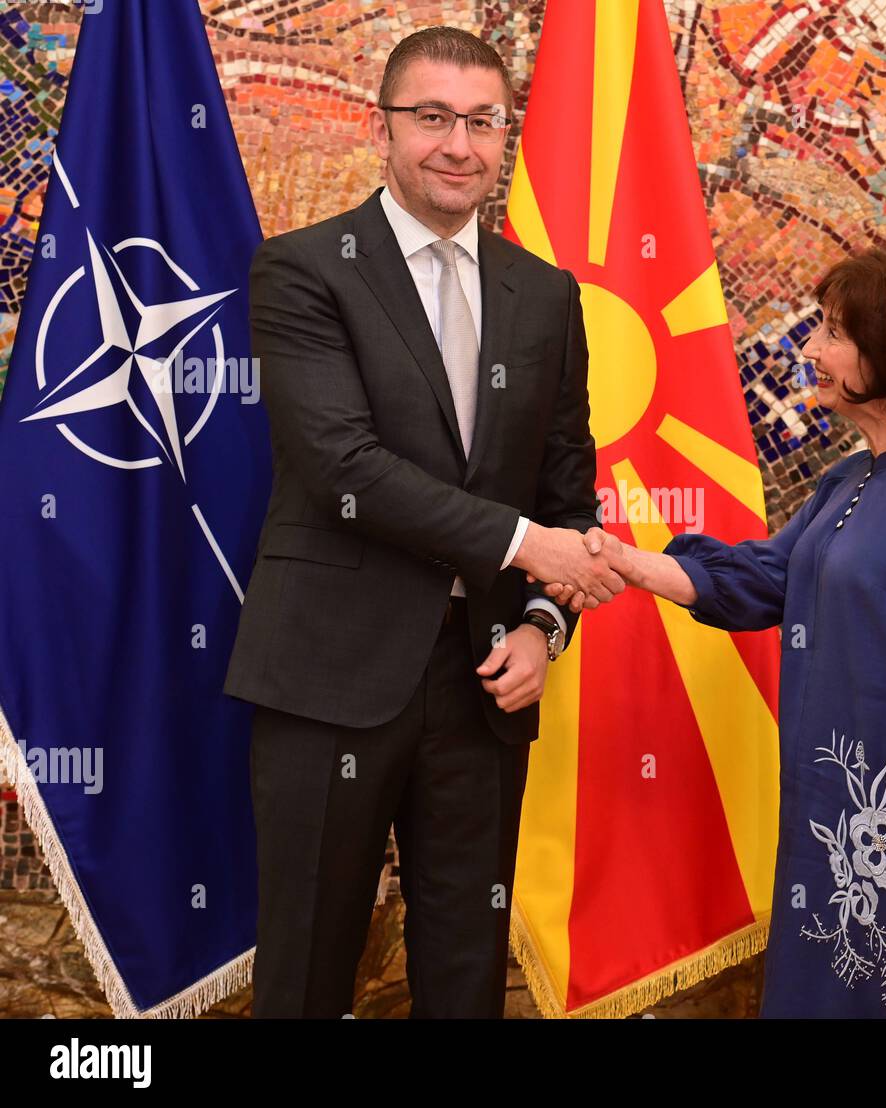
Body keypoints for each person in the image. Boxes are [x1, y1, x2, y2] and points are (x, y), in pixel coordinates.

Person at [223, 26, 622, 1018]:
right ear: (384, 129)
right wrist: (525, 546)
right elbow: (342, 466)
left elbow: (568, 496)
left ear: (505, 136)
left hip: (484, 681)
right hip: (329, 671)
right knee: (308, 970)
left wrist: (542, 627)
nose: (458, 144)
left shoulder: (546, 295)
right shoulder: (303, 269)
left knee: (464, 972)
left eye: (482, 122)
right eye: (433, 117)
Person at [545, 247, 886, 1017]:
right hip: (826, 818)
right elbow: (763, 581)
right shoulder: (851, 477)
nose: (810, 349)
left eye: (834, 333)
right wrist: (623, 560)